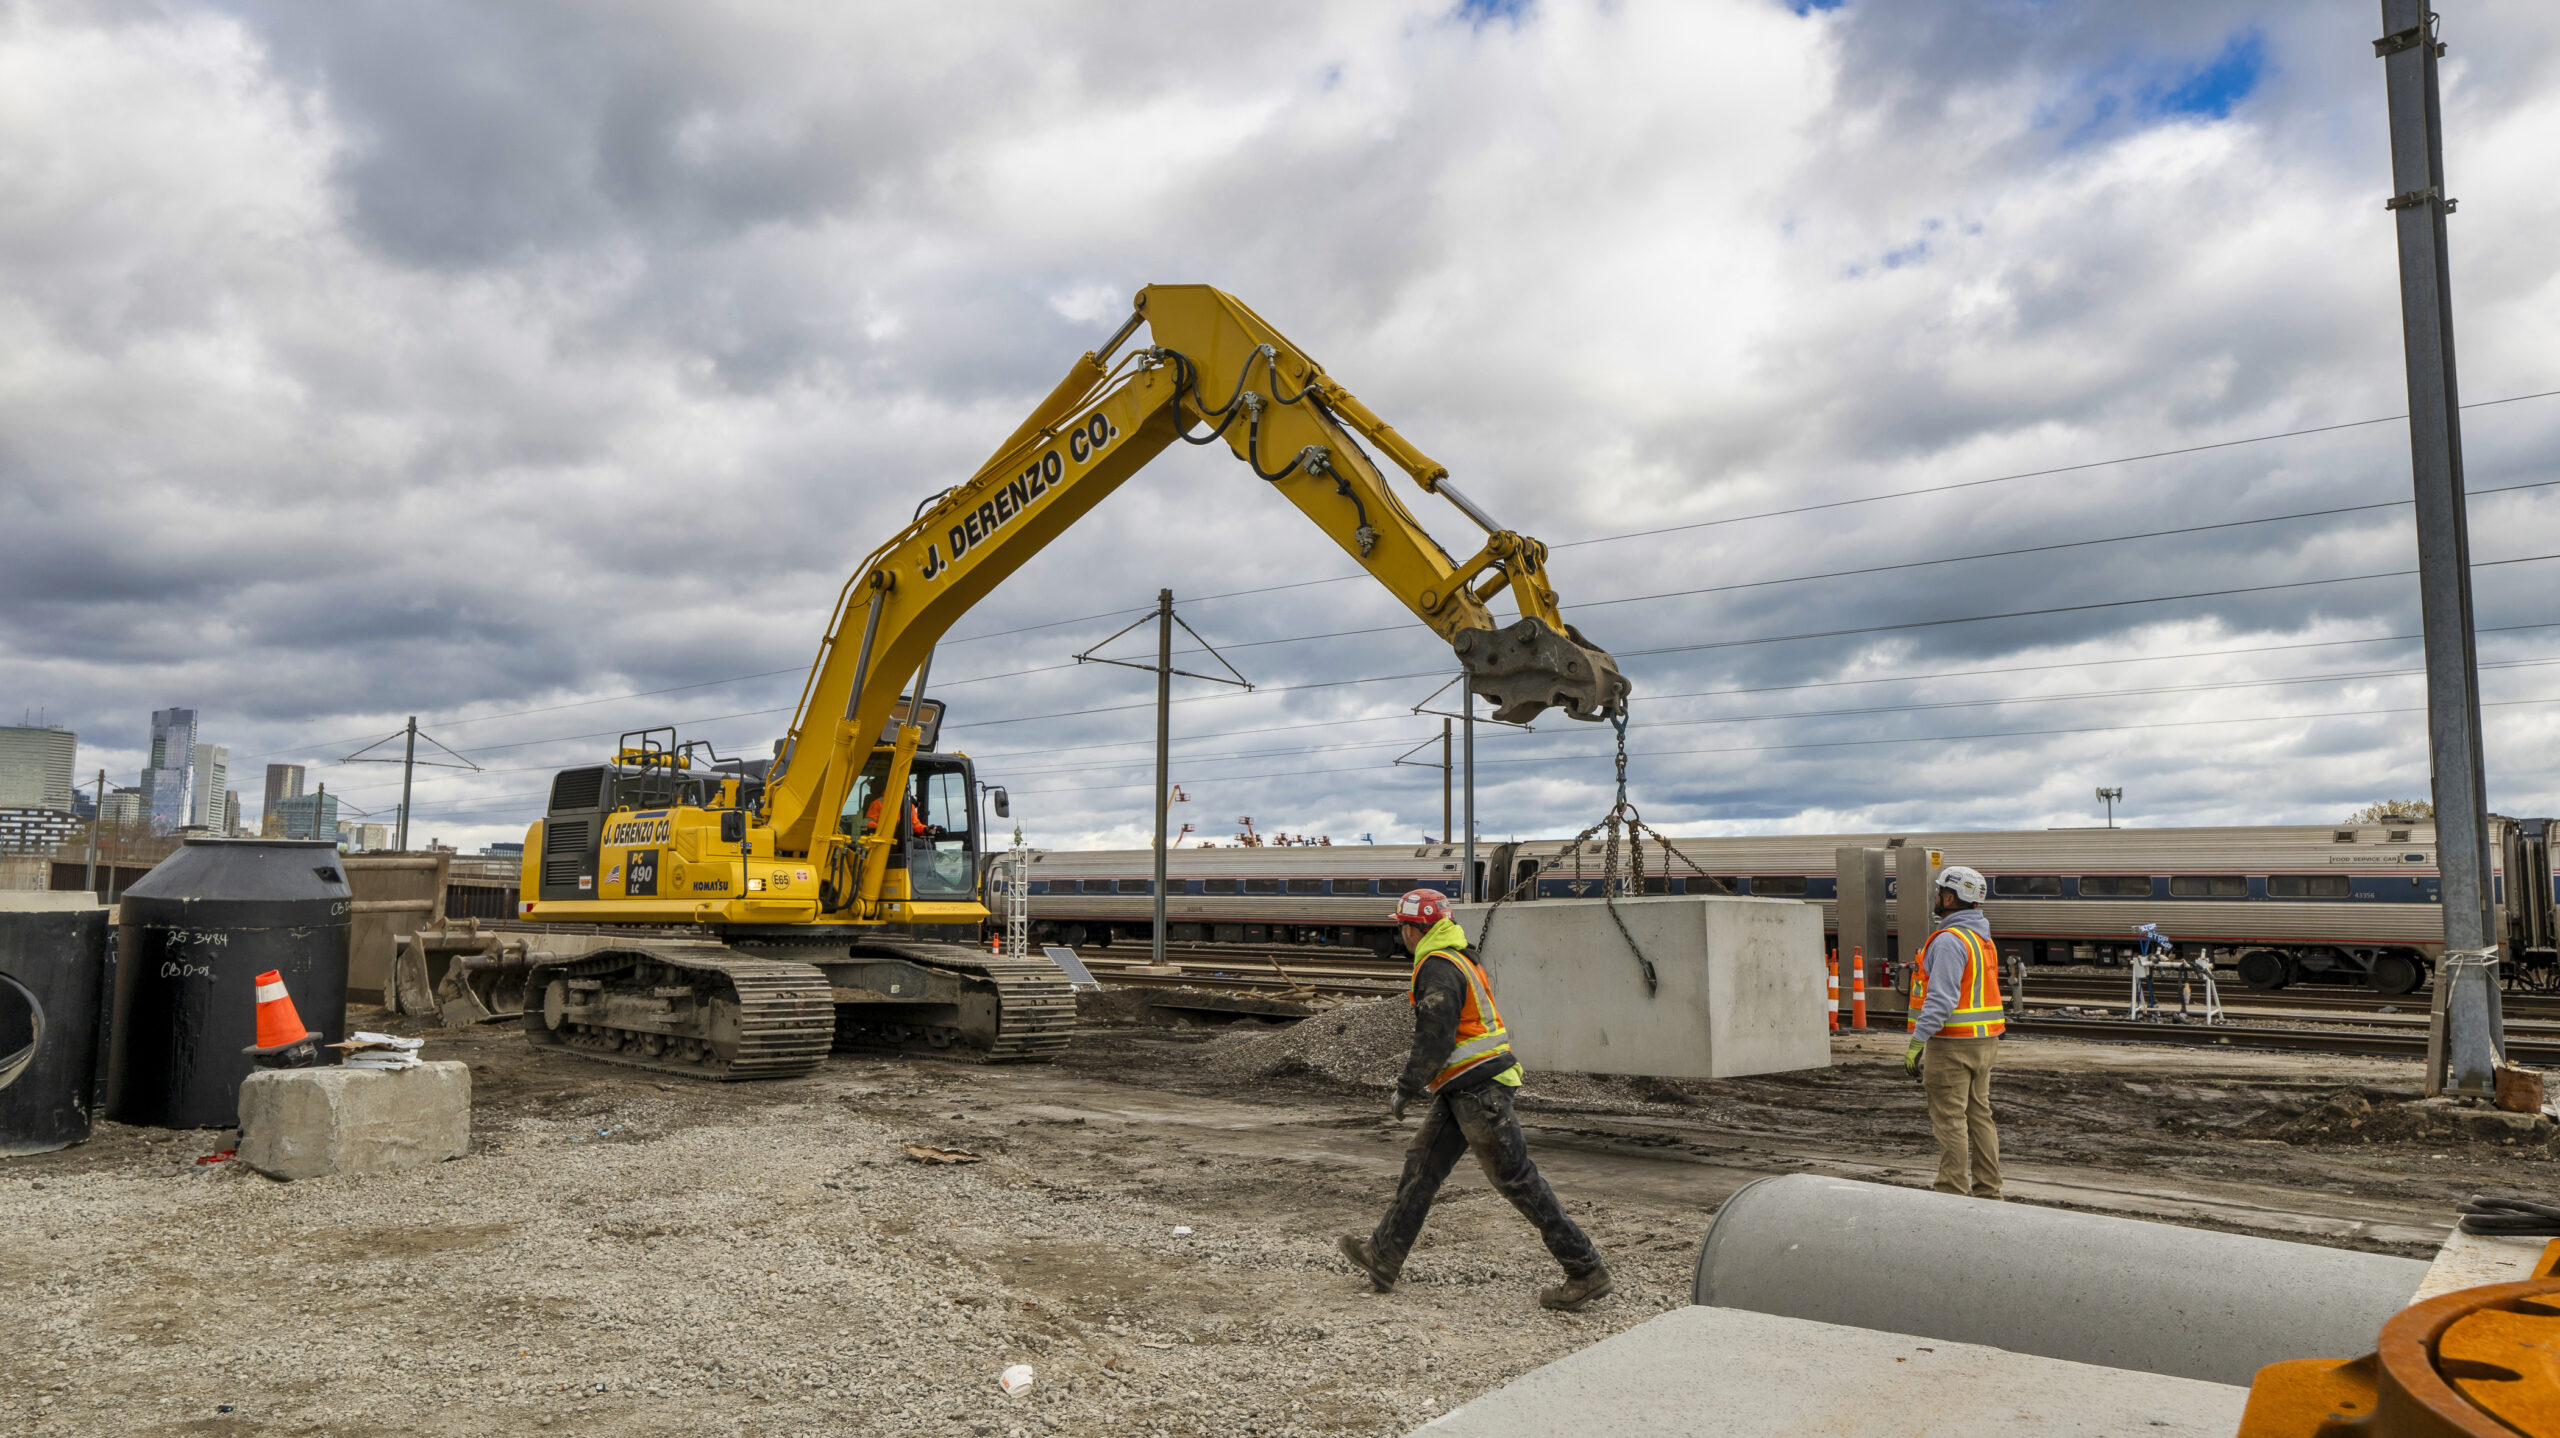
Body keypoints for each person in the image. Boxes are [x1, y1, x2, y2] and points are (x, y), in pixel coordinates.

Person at [1339, 889, 1612, 1310]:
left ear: (1414, 929)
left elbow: (1435, 1035)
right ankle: (1384, 1255)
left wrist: (1407, 1086)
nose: (1401, 936)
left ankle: (1585, 1270)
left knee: (1517, 1180)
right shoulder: (1456, 955)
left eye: (1402, 928)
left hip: (1479, 1089)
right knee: (1421, 1168)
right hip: (1464, 1086)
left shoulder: (1437, 966)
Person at [1904, 863, 2005, 1199]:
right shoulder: (1980, 937)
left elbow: (1942, 998)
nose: (1935, 896)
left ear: (1950, 897)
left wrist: (1917, 1041)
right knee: (1980, 1117)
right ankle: (1989, 1191)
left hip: (1952, 1045)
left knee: (1950, 1121)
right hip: (1985, 1043)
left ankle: (1951, 1192)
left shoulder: (1949, 940)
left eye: (1939, 891)